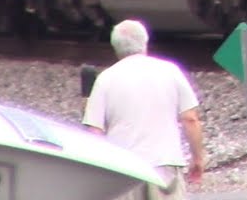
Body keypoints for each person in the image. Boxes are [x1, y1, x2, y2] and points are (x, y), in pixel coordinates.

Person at [83, 19, 206, 200]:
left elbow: (94, 131)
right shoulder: (170, 71)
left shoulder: (105, 79)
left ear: (115, 48)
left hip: (123, 170)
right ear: (145, 42)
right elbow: (190, 119)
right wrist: (198, 158)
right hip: (164, 164)